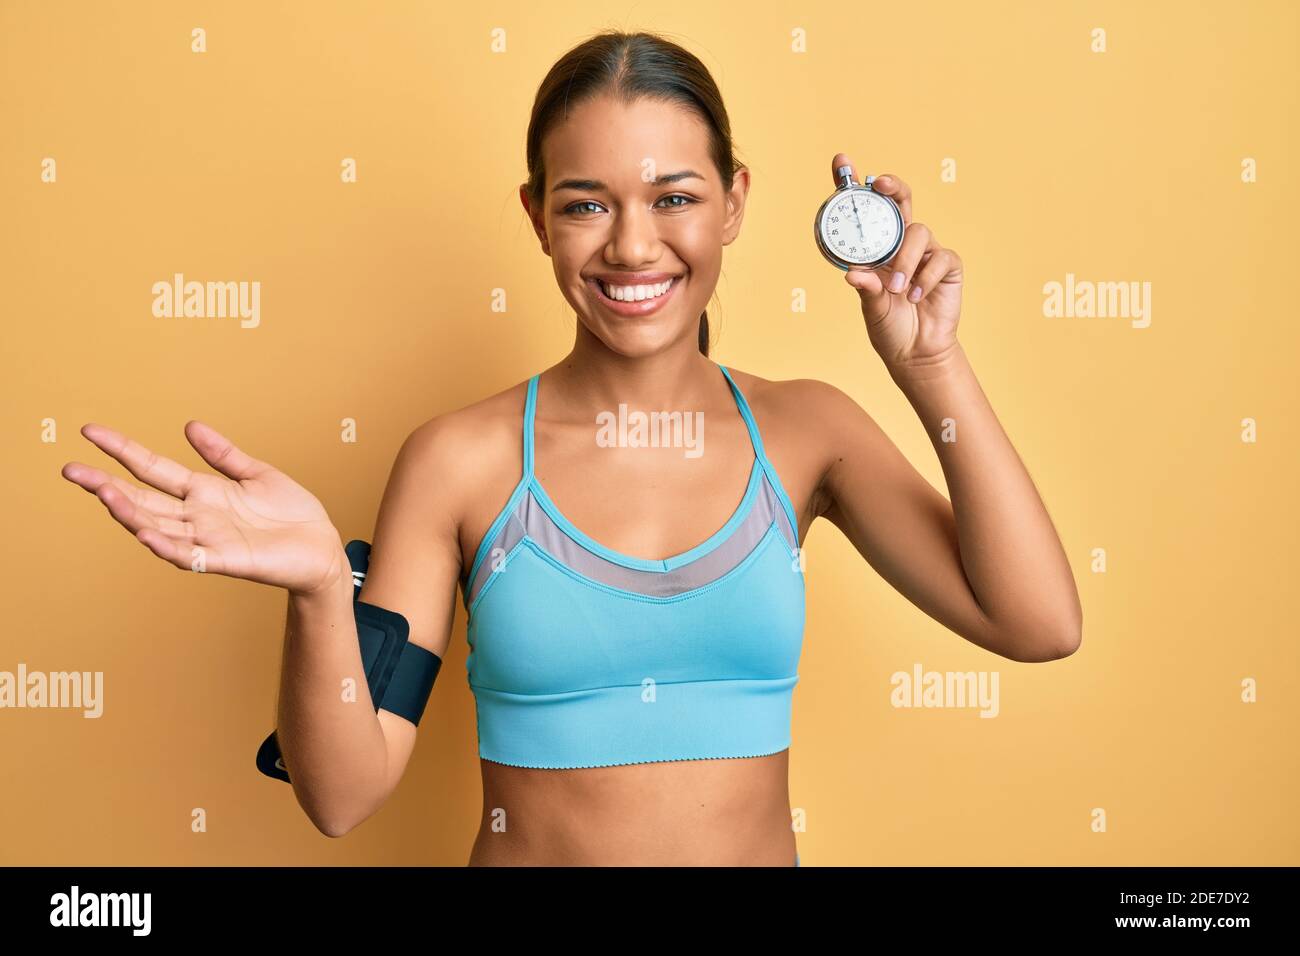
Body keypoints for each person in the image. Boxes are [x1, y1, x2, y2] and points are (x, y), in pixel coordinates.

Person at [61, 30, 1082, 867]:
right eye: (585, 202)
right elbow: (343, 793)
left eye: (674, 197)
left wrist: (931, 366)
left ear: (734, 199)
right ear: (536, 217)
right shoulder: (459, 461)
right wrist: (323, 587)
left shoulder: (809, 433)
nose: (632, 246)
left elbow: (1036, 622)